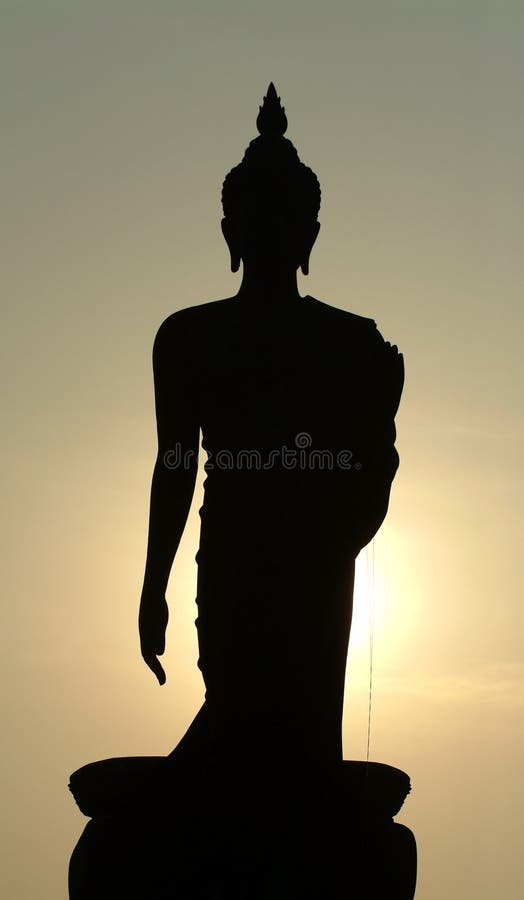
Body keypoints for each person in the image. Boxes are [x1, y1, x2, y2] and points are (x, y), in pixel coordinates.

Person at [138, 83, 404, 809]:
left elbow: (362, 490)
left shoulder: (352, 343)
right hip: (230, 562)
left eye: (281, 221)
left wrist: (382, 411)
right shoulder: (188, 338)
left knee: (297, 741)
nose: (268, 235)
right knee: (242, 712)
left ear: (309, 234)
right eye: (256, 221)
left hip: (314, 572)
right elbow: (176, 466)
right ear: (230, 231)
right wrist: (153, 583)